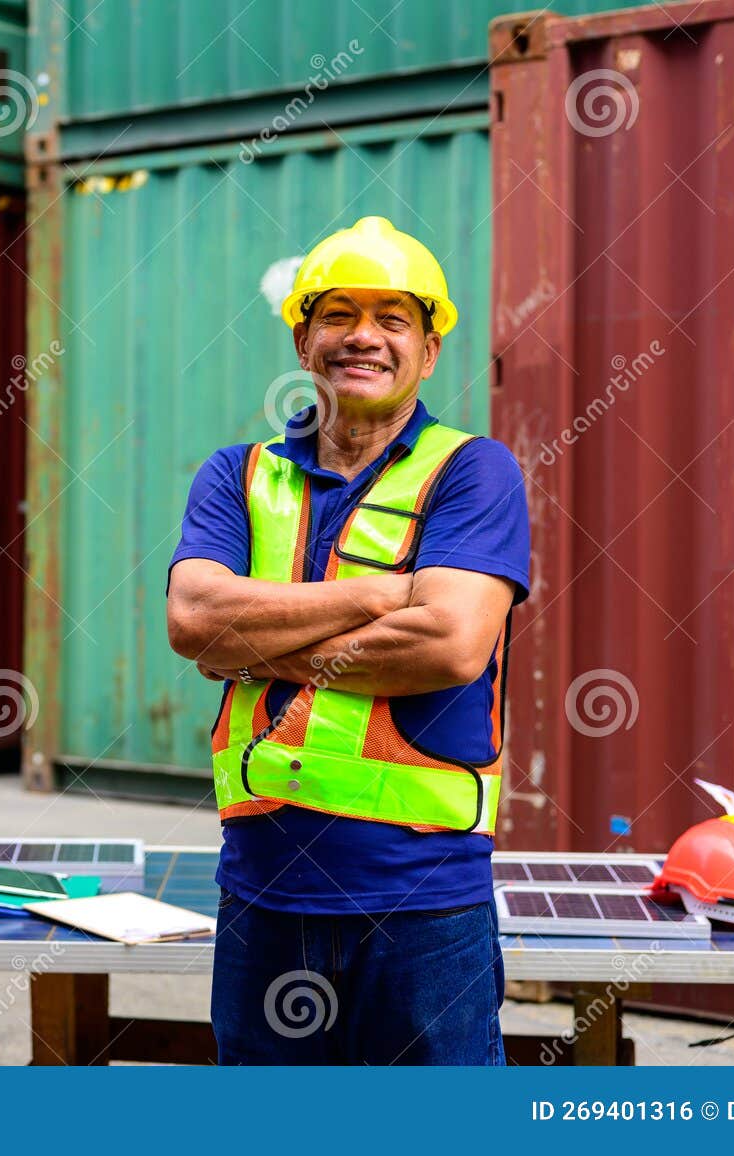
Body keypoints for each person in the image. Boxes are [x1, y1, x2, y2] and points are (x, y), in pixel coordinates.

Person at [166, 217, 530, 1065]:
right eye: (338, 315)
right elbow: (194, 621)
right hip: (263, 893)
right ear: (303, 340)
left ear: (428, 352)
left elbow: (449, 645)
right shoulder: (237, 475)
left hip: (424, 905)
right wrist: (380, 592)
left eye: (392, 318)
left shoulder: (474, 470)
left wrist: (250, 645)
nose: (363, 336)